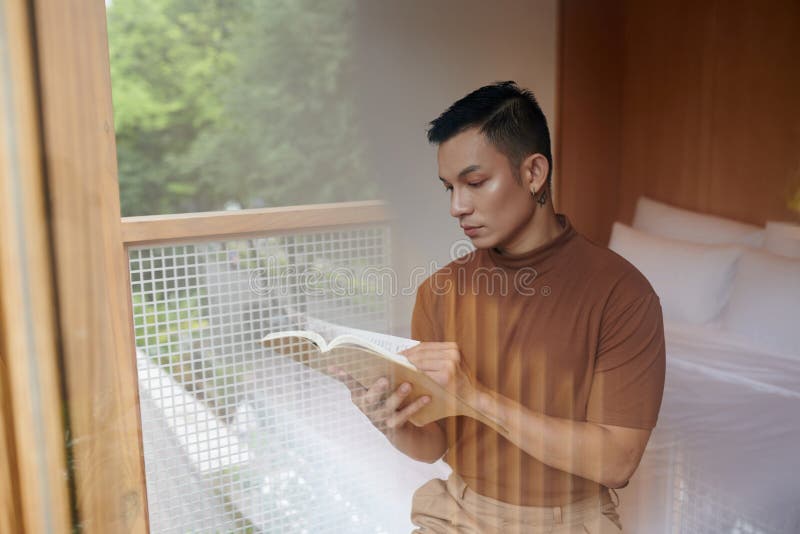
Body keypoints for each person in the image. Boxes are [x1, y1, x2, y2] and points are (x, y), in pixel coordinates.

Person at [339, 81, 665, 533]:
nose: (457, 206)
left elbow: (616, 462)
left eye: (474, 183)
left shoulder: (622, 294)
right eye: (448, 187)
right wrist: (388, 420)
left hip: (570, 522)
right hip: (458, 513)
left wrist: (474, 396)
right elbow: (433, 444)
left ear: (533, 173)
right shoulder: (438, 291)